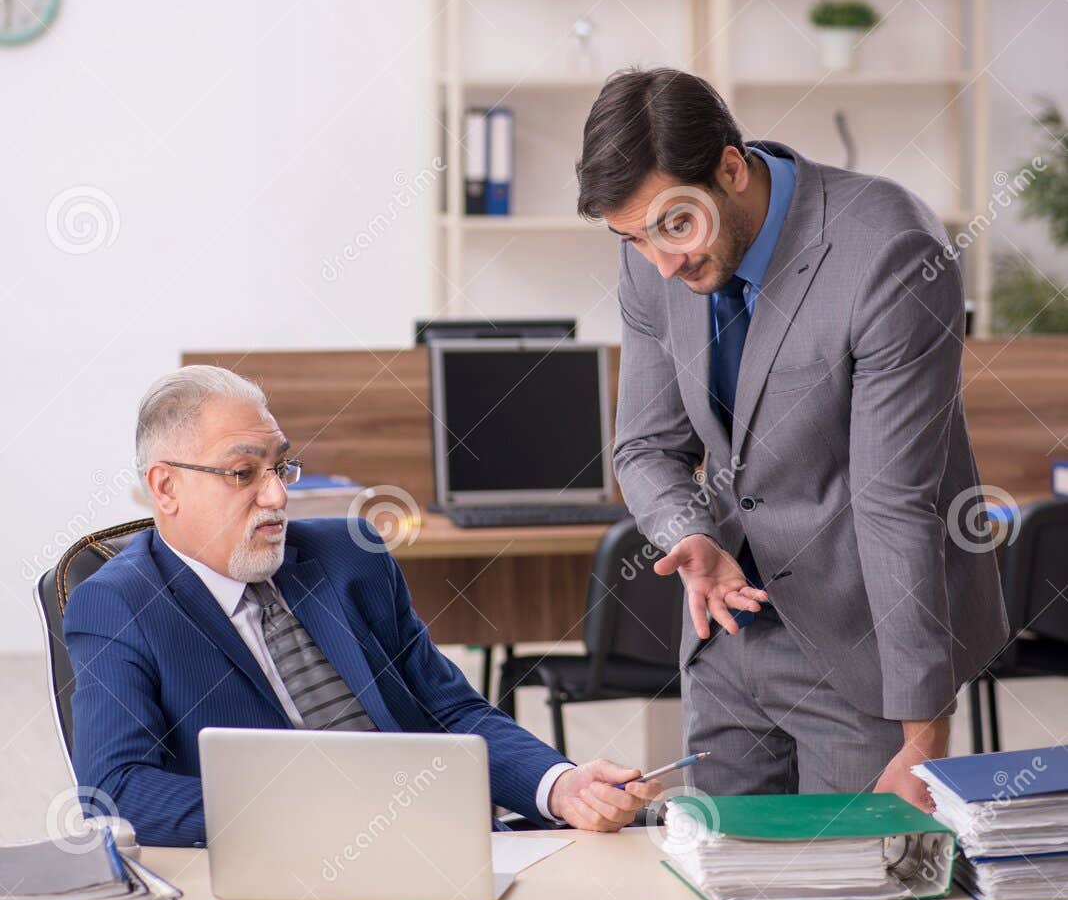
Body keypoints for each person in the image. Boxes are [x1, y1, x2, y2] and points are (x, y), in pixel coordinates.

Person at [576, 67, 1009, 809]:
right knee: (725, 897)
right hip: (728, 636)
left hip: (863, 645)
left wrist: (921, 739)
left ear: (731, 168)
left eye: (675, 226)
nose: (663, 262)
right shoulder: (650, 258)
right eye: (633, 237)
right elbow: (646, 447)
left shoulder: (888, 250)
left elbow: (894, 503)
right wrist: (692, 532)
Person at [66, 365, 659, 848]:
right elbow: (118, 790)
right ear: (165, 487)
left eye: (280, 466)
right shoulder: (117, 604)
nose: (276, 495)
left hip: (444, 848)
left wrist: (560, 786)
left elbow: (451, 711)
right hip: (294, 880)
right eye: (243, 472)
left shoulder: (350, 555)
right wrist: (331, 810)